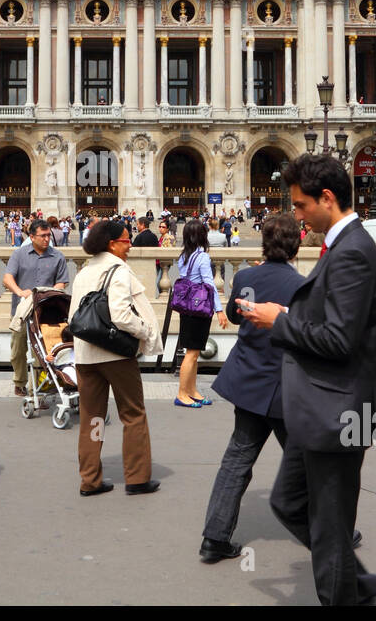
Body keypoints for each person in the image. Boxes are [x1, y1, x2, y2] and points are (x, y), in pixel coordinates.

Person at [238, 154, 376, 605]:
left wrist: (278, 321)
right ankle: (356, 587)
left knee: (328, 520)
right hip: (318, 411)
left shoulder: (353, 253)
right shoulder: (342, 248)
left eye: (301, 206)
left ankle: (350, 594)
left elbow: (338, 340)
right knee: (290, 503)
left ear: (327, 198)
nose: (296, 215)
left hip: (338, 412)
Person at [199, 213, 304, 563]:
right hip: (287, 388)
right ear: (296, 245)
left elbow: (233, 310)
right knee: (309, 464)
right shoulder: (303, 286)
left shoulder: (245, 276)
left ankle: (214, 537)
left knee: (236, 460)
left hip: (249, 382)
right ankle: (335, 532)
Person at [68, 219, 162, 496]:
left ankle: (90, 479)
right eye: (125, 240)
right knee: (133, 415)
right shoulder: (119, 270)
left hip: (86, 356)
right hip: (116, 355)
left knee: (93, 419)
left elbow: (73, 316)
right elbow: (121, 315)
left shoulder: (84, 272)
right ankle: (136, 477)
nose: (130, 244)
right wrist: (144, 331)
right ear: (112, 244)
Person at [3, 219, 68, 398]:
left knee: (41, 353)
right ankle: (20, 382)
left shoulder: (58, 256)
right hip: (22, 310)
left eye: (49, 235)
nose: (47, 239)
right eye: (42, 236)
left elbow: (61, 282)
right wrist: (20, 292)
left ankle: (36, 390)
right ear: (31, 237)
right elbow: (7, 278)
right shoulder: (19, 254)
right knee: (17, 349)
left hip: (46, 313)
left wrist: (52, 293)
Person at [173, 220, 228, 408]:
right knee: (192, 354)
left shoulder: (184, 256)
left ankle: (192, 390)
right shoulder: (203, 257)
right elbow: (209, 284)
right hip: (199, 307)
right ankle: (182, 393)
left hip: (187, 307)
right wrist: (219, 309)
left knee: (193, 352)